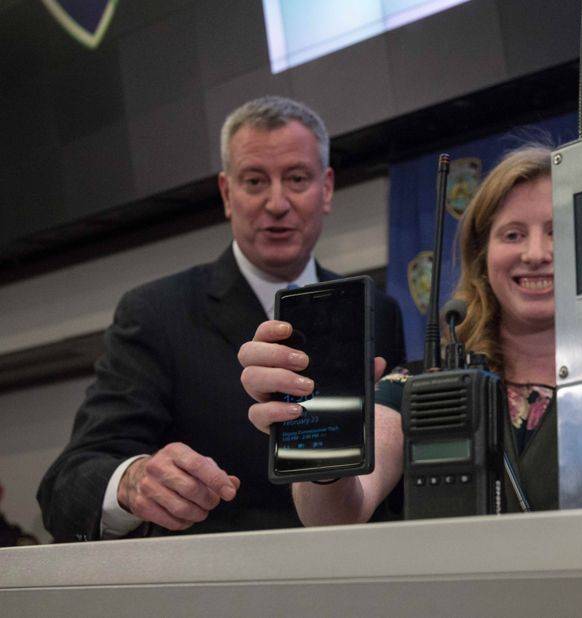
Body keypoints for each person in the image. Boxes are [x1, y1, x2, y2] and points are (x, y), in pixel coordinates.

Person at [37, 96, 406, 541]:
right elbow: (67, 482)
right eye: (254, 181)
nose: (277, 203)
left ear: (326, 188)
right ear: (227, 194)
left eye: (297, 178)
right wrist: (134, 481)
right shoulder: (156, 313)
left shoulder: (377, 311)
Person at [239, 145, 556, 524]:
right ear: (481, 256)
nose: (536, 253)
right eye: (513, 235)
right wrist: (320, 443)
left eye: (558, 231)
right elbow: (334, 518)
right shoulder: (411, 384)